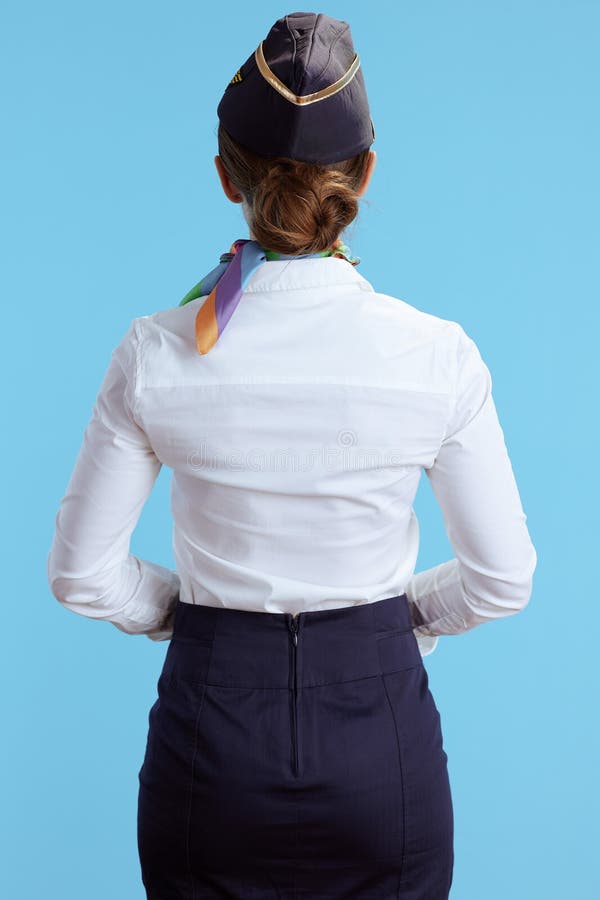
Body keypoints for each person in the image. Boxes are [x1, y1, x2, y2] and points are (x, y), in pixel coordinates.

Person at [47, 11, 537, 899]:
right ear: (367, 173)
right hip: (380, 743)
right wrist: (396, 625)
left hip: (210, 738)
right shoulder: (438, 353)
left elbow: (81, 576)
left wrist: (196, 621)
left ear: (225, 175)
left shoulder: (155, 350)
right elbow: (502, 579)